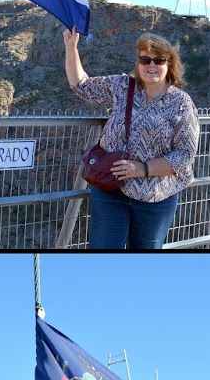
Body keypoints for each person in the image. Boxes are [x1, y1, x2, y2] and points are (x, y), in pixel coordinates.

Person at [63, 29, 200, 249]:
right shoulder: (123, 86)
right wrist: (71, 48)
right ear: (138, 63)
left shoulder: (181, 103)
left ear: (169, 64)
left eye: (158, 60)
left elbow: (185, 154)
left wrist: (142, 168)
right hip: (110, 187)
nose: (151, 65)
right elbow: (83, 87)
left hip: (156, 195)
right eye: (145, 59)